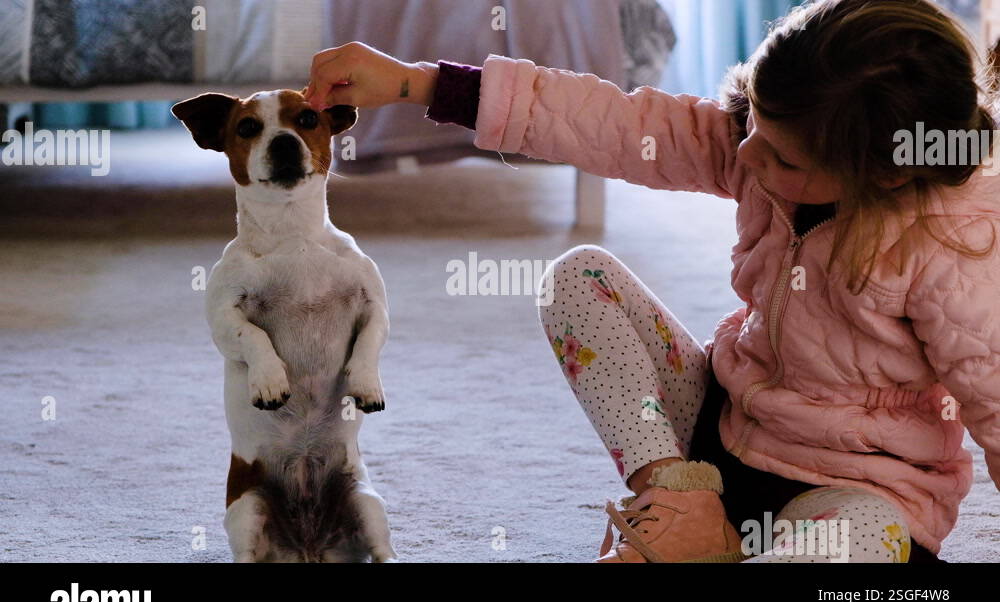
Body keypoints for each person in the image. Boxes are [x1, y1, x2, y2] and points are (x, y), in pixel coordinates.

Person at [305, 0, 1000, 562]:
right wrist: (414, 81)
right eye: (753, 121)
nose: (747, 150)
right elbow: (608, 123)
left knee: (857, 549)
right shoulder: (755, 147)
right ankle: (678, 502)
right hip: (718, 445)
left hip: (858, 493)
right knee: (579, 278)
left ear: (886, 173)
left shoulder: (954, 248)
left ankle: (708, 546)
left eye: (779, 153)